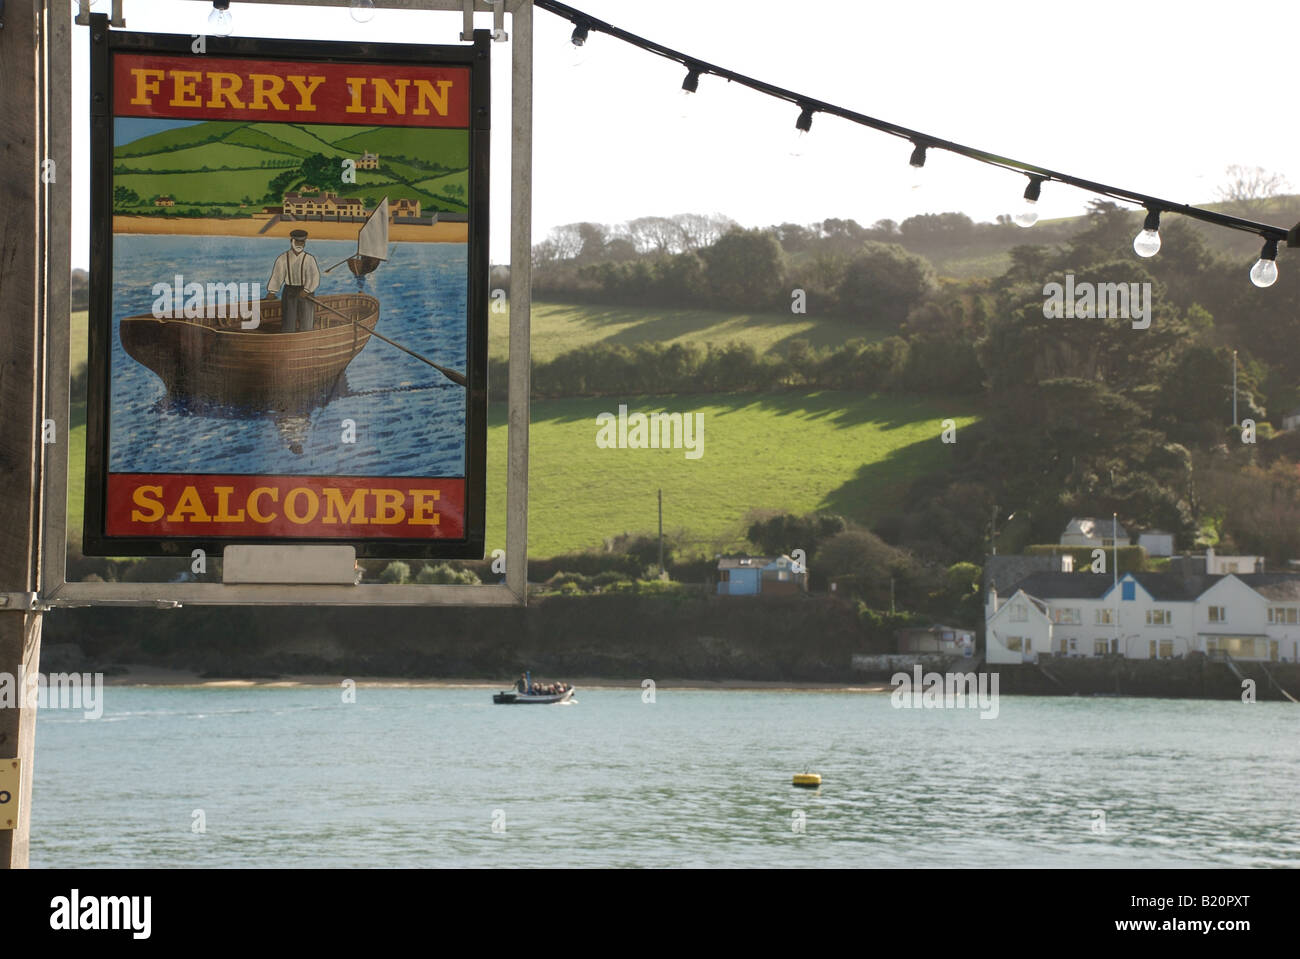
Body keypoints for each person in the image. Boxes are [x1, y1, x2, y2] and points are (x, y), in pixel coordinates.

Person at [267, 229, 321, 333]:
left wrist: (307, 290)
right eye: (297, 241)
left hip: (306, 293)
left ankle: (306, 340)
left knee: (306, 322)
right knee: (288, 322)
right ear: (291, 241)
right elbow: (277, 276)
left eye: (302, 242)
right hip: (289, 291)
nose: (299, 244)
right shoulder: (282, 258)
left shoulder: (309, 259)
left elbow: (314, 277)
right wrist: (272, 291)